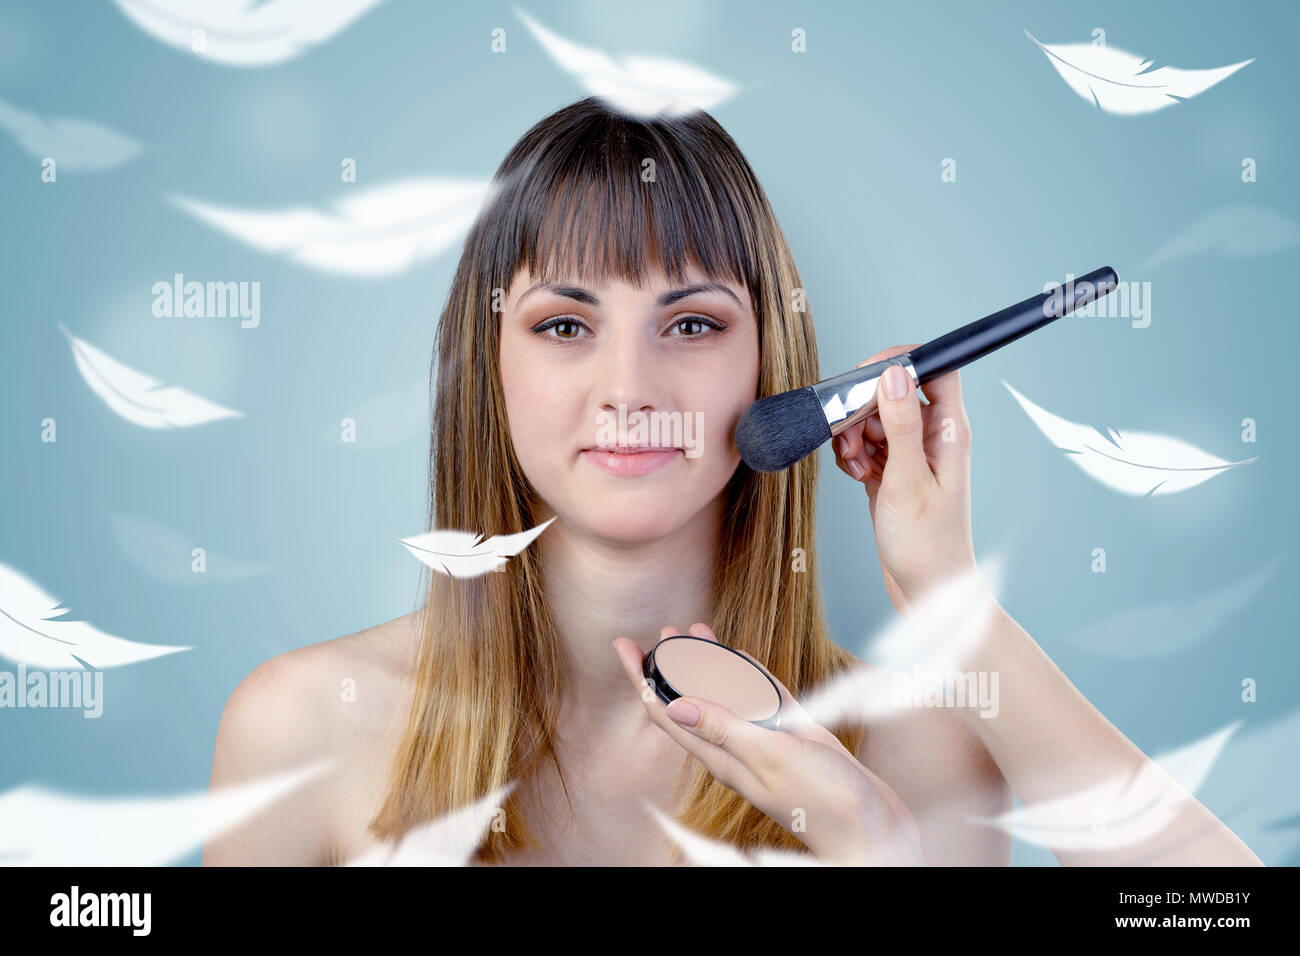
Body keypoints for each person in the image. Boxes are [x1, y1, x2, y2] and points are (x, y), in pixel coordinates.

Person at [203, 97, 1261, 867]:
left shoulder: (919, 749)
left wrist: (948, 611)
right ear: (489, 368)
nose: (630, 386)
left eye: (694, 323)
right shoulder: (302, 725)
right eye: (565, 324)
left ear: (774, 367)